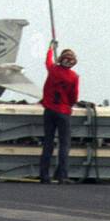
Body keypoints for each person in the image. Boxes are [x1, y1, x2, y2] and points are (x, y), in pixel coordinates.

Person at [39, 44, 79, 183]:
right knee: (64, 144)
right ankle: (62, 176)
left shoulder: (53, 70)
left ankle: (44, 176)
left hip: (49, 110)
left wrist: (50, 48)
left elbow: (48, 61)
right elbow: (74, 97)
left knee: (48, 143)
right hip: (64, 112)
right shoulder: (73, 77)